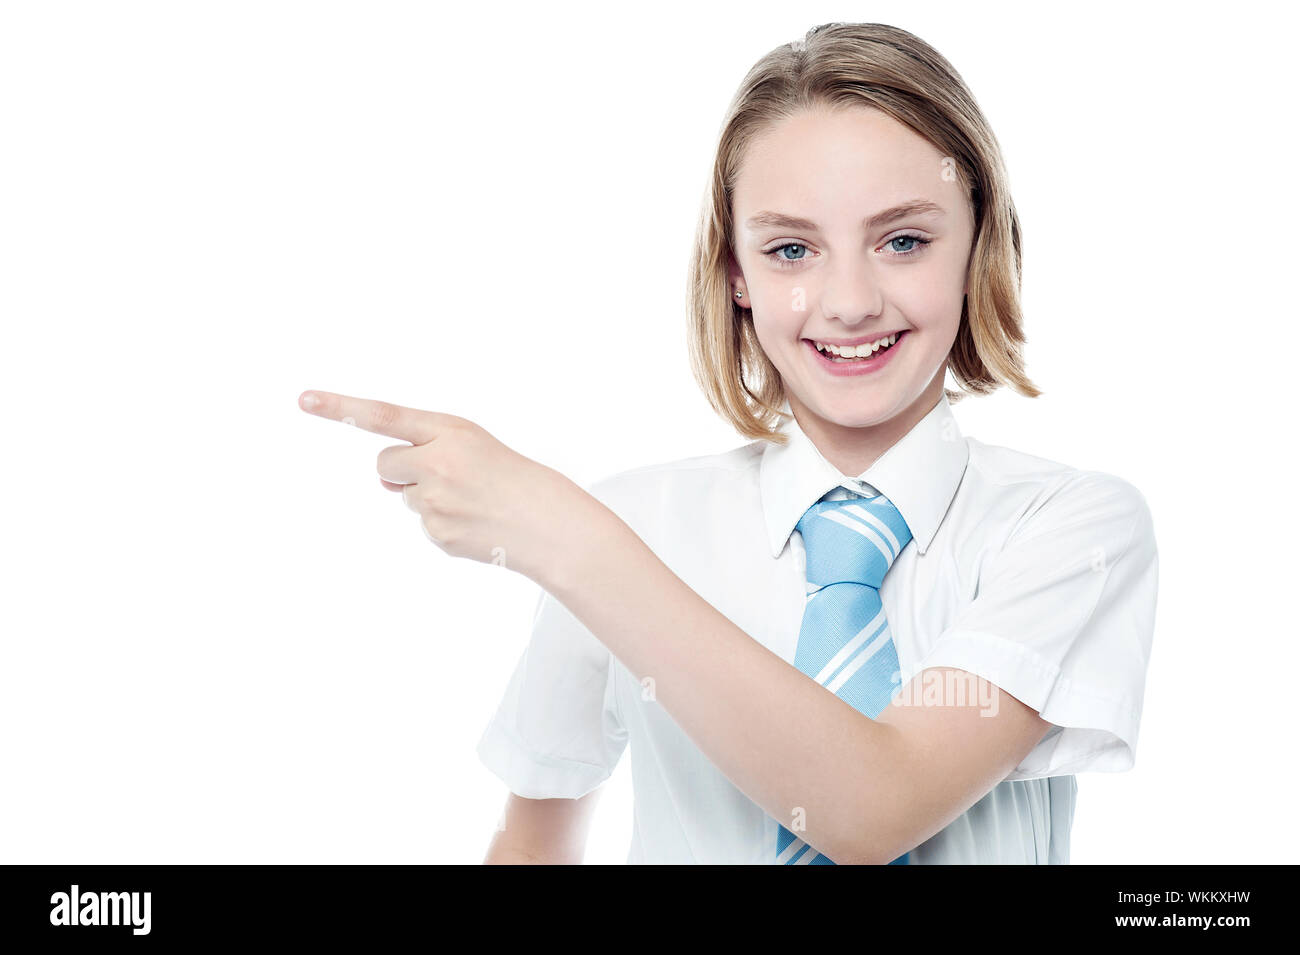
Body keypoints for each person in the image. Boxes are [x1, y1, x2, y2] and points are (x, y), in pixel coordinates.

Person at [300, 21, 1159, 864]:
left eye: (903, 240)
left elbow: (873, 809)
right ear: (737, 272)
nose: (850, 301)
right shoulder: (633, 519)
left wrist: (562, 536)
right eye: (792, 248)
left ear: (977, 244)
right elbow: (534, 842)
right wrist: (582, 538)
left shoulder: (1068, 528)